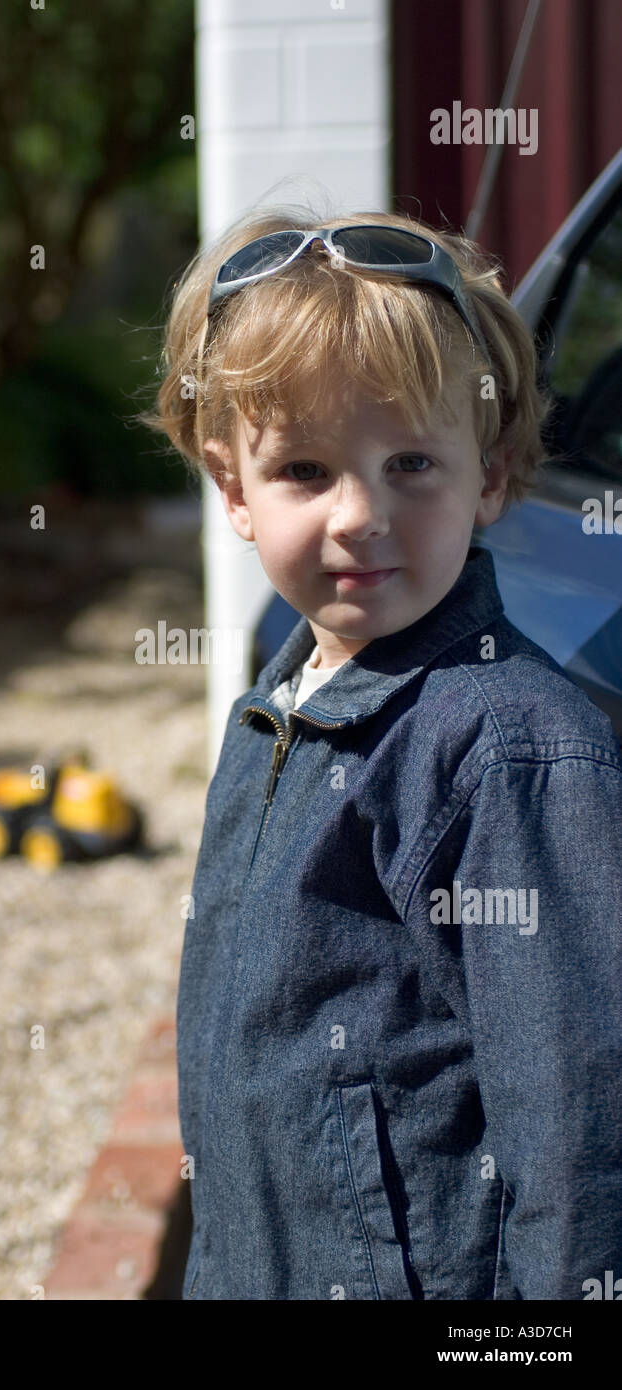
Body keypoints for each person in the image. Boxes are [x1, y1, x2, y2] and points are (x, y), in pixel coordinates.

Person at [137, 203, 622, 1300]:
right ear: (232, 491)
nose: (361, 514)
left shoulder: (509, 747)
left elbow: (577, 1125)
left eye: (410, 462)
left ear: (490, 475)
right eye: (305, 470)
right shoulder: (275, 707)